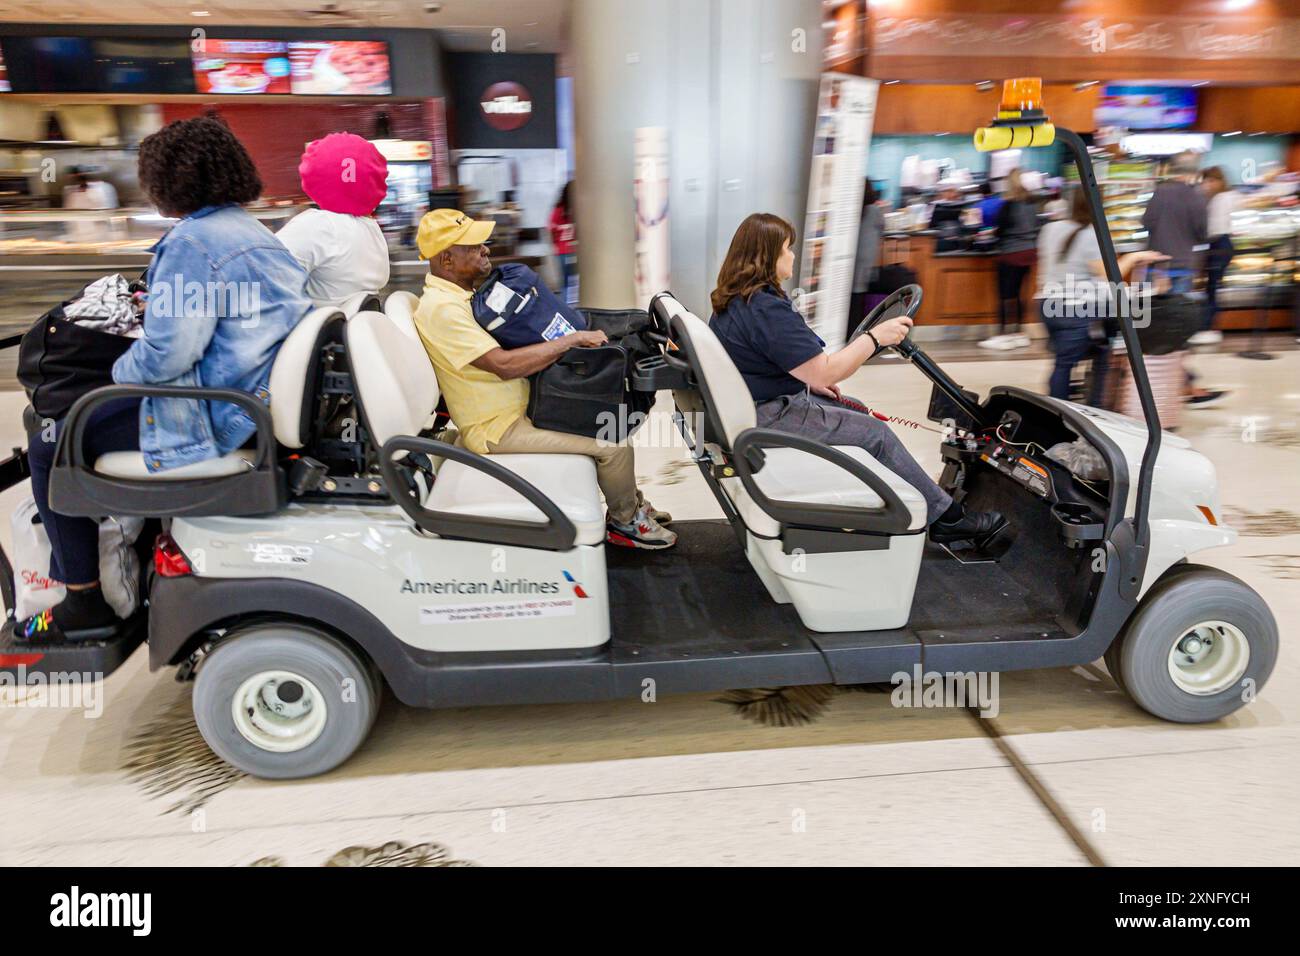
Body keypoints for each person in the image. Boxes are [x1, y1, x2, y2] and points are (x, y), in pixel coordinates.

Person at [19, 115, 311, 642]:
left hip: (210, 415)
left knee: (48, 443)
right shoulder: (254, 232)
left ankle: (82, 602)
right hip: (248, 400)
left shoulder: (191, 243)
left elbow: (165, 358)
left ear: (168, 179)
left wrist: (113, 373)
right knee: (92, 418)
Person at [709, 213, 1008, 548]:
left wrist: (813, 381)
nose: (793, 256)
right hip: (767, 415)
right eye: (787, 249)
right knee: (875, 433)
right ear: (767, 257)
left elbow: (777, 363)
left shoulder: (735, 300)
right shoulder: (766, 308)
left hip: (756, 405)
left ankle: (889, 505)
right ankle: (947, 519)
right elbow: (826, 369)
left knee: (857, 410)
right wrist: (876, 339)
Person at [412, 208, 675, 550]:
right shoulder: (443, 310)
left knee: (609, 417)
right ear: (447, 259)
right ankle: (625, 522)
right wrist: (570, 340)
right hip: (497, 427)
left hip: (526, 405)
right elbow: (504, 365)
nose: (485, 250)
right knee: (613, 444)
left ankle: (632, 502)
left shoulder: (461, 298)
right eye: (475, 247)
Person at [1036, 188, 1166, 403]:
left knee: (1063, 361)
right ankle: (1092, 411)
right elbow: (1109, 275)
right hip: (1076, 308)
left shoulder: (1050, 229)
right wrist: (1134, 258)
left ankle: (1059, 410)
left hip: (1047, 305)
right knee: (1100, 357)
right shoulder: (1091, 235)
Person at [1142, 151, 1223, 408]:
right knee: (1176, 329)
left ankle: (1155, 382)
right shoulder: (1196, 196)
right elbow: (1203, 233)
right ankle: (1182, 384)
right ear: (1193, 173)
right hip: (1183, 268)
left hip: (1156, 267)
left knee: (1150, 324)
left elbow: (1147, 221)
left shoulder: (1160, 191)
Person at [276, 132, 391, 308]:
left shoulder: (319, 225)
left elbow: (264, 269)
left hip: (315, 331)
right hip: (346, 329)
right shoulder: (372, 229)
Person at [981, 168, 1037, 351]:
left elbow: (1001, 230)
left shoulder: (1008, 204)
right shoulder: (1031, 202)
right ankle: (1019, 333)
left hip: (1010, 253)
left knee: (1005, 295)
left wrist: (991, 233)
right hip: (1028, 253)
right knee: (1020, 294)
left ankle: (1003, 334)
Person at [1193, 165, 1235, 346]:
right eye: (1205, 181)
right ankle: (1207, 326)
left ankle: (1207, 328)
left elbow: (1214, 228)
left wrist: (1198, 237)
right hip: (1219, 244)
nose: (1207, 185)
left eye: (1210, 181)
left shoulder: (1221, 199)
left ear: (1219, 181)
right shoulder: (1220, 197)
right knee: (1211, 287)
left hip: (1220, 244)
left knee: (1212, 287)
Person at [848, 180, 885, 337]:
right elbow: (882, 230)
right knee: (857, 300)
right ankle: (854, 337)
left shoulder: (852, 210)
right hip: (865, 264)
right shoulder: (875, 211)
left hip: (850, 260)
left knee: (849, 300)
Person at [61, 166, 120, 243]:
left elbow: (109, 212)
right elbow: (68, 215)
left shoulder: (103, 188)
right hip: (78, 236)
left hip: (100, 236)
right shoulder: (70, 192)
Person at [549, 182, 578, 306]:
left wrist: (556, 244)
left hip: (561, 252)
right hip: (575, 251)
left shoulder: (557, 210)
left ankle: (564, 307)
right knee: (577, 283)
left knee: (564, 283)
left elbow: (551, 229)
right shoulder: (579, 209)